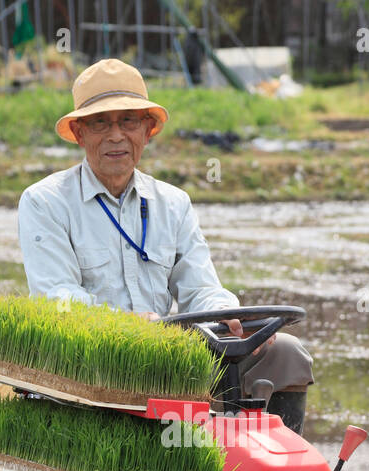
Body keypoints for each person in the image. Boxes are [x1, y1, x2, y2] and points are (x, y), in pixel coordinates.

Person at [16, 57, 313, 431]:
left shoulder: (173, 203)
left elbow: (201, 289)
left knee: (287, 351)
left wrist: (230, 316)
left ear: (148, 130)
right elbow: (56, 299)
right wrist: (125, 324)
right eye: (99, 123)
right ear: (79, 133)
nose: (115, 135)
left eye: (128, 121)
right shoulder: (44, 202)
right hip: (94, 363)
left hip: (166, 359)